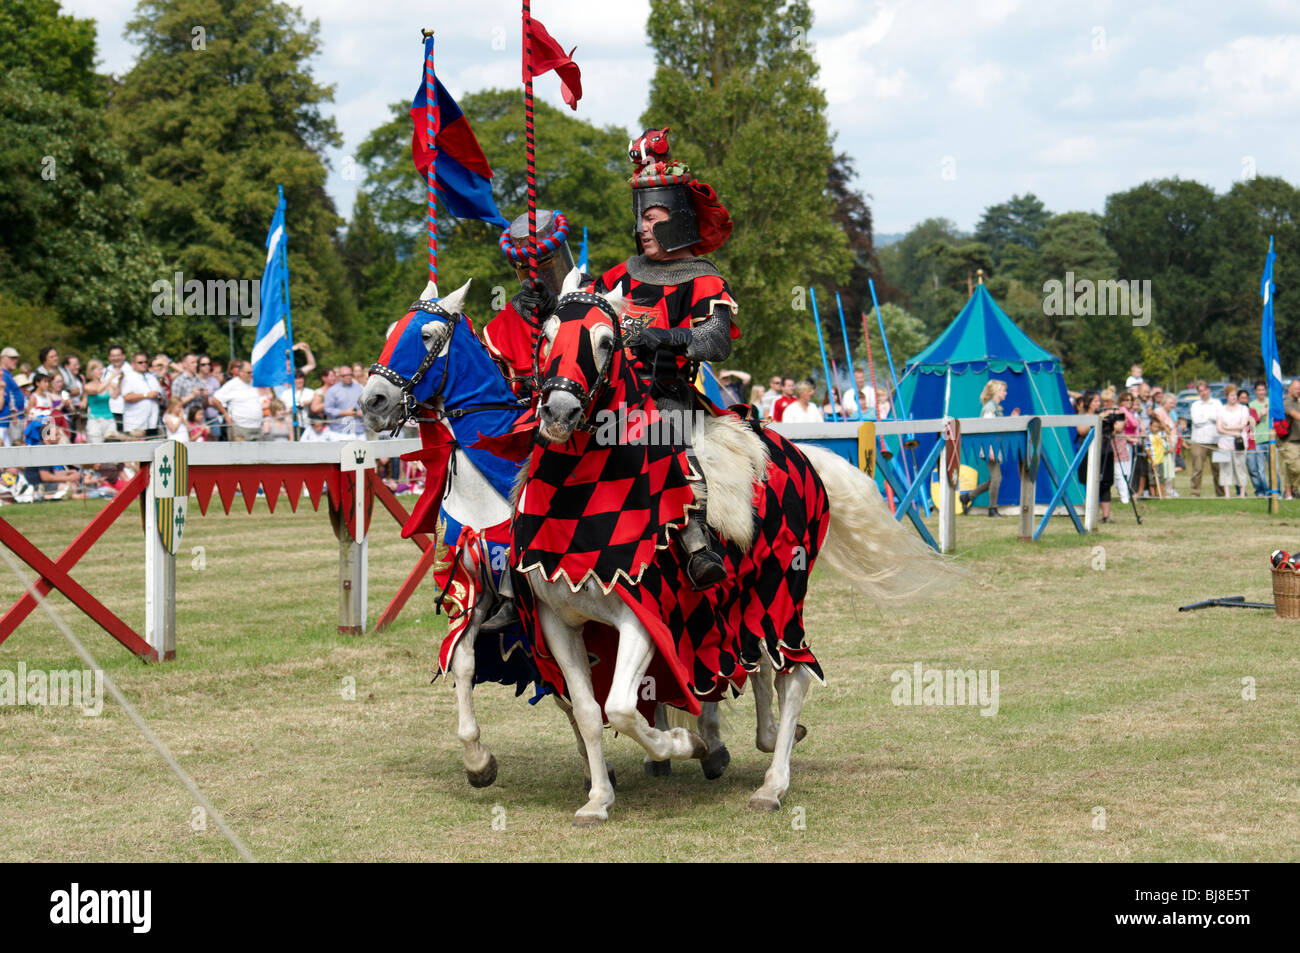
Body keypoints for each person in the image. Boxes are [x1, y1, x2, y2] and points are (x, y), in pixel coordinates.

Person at [583, 133, 738, 588]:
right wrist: (545, 293)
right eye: (641, 219)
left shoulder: (704, 280)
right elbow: (583, 313)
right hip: (610, 397)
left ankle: (696, 544)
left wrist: (666, 337)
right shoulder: (620, 275)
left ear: (679, 221)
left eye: (653, 218)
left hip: (665, 394)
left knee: (664, 428)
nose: (644, 227)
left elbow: (717, 341)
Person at [483, 208, 583, 396]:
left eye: (543, 263)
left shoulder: (594, 294)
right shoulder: (509, 317)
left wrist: (556, 307)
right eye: (524, 267)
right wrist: (518, 388)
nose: (534, 274)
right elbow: (492, 382)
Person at [961, 379, 1016, 516]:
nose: (1006, 393)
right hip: (991, 447)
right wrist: (990, 449)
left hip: (994, 446)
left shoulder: (995, 408)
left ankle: (968, 497)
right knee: (997, 479)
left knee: (995, 479)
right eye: (1003, 390)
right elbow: (986, 431)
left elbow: (998, 428)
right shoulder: (990, 409)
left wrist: (1012, 418)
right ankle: (992, 509)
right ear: (997, 392)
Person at [1076, 391, 1116, 522]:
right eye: (1095, 401)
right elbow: (1081, 431)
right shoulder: (1083, 415)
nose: (1098, 404)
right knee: (1088, 482)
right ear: (1088, 403)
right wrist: (1097, 418)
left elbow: (1115, 430)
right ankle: (1091, 514)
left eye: (1099, 401)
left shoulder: (1105, 414)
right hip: (1088, 452)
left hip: (1105, 451)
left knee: (1106, 483)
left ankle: (1106, 515)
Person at [1186, 380, 1223, 498]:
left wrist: (1207, 418)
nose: (1203, 393)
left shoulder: (1217, 403)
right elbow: (1196, 421)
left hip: (1216, 441)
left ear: (1208, 390)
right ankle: (1195, 493)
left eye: (1204, 390)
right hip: (1199, 441)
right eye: (1200, 391)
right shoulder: (1195, 405)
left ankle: (1221, 493)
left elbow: (1220, 418)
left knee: (1218, 469)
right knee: (1197, 469)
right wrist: (1211, 418)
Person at [210, 360, 265, 441]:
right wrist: (226, 415)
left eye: (252, 372)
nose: (251, 374)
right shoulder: (232, 384)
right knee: (241, 453)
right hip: (240, 427)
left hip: (257, 427)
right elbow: (215, 399)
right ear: (241, 373)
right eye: (248, 372)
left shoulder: (253, 383)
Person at [1214, 387, 1250, 497]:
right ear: (1227, 396)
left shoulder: (1243, 408)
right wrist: (1233, 431)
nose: (1233, 397)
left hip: (1239, 442)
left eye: (1235, 395)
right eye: (1231, 395)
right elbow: (1219, 428)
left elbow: (1243, 425)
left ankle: (1242, 493)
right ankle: (1227, 494)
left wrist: (1227, 427)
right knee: (1225, 467)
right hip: (1224, 442)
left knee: (1240, 466)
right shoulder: (1221, 409)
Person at [120, 352, 161, 438]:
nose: (144, 364)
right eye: (140, 362)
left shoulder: (152, 377)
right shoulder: (129, 378)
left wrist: (158, 395)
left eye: (146, 362)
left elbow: (160, 396)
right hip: (135, 423)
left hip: (152, 423)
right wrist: (146, 395)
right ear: (132, 364)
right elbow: (127, 397)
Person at [82, 359, 119, 443]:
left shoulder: (106, 384)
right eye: (99, 369)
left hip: (109, 419)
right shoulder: (87, 386)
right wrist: (112, 377)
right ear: (91, 371)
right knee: (96, 447)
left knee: (112, 444)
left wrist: (120, 381)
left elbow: (115, 395)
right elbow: (98, 389)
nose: (101, 372)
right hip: (95, 420)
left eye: (102, 369)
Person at [323, 364, 365, 438]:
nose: (348, 377)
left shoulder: (360, 388)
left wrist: (360, 413)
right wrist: (344, 412)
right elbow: (328, 409)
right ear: (339, 376)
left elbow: (368, 407)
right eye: (345, 375)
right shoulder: (332, 390)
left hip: (359, 431)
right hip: (339, 432)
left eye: (350, 375)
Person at [1247, 381, 1273, 496]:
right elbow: (1251, 424)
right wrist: (1260, 414)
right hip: (1258, 440)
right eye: (1259, 390)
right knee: (1261, 470)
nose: (1262, 392)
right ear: (1255, 391)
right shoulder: (1251, 405)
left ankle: (1276, 491)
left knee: (1274, 469)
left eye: (1263, 389)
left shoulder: (1270, 402)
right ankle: (1265, 491)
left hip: (1271, 439)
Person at [1279, 377, 1300, 499]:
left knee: (1289, 468)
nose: (1299, 391)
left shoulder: (1297, 401)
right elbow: (1296, 415)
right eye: (1297, 388)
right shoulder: (1286, 402)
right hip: (1288, 441)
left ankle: (1289, 492)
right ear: (1289, 389)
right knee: (1297, 468)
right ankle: (1292, 490)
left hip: (1298, 440)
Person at [1, 347, 26, 446]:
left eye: (16, 358)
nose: (15, 360)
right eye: (12, 358)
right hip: (5, 421)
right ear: (3, 358)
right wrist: (13, 412)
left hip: (9, 422)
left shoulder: (7, 375)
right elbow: (6, 396)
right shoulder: (3, 375)